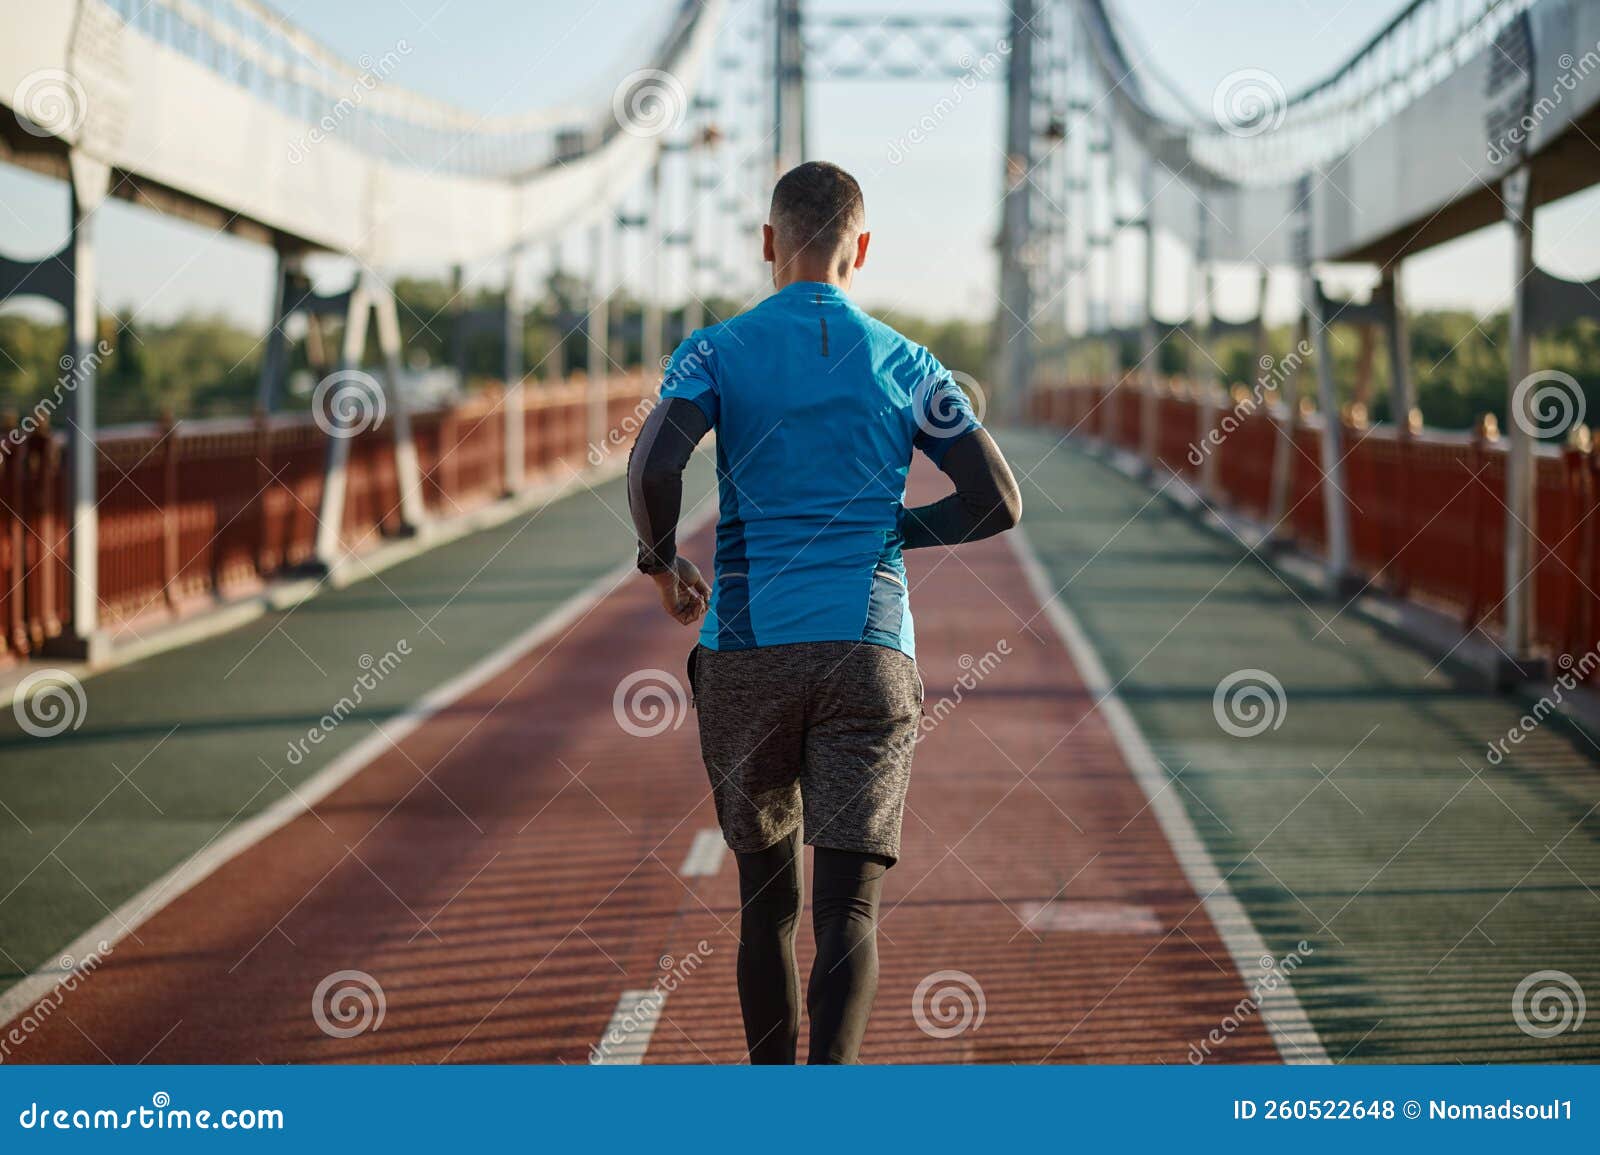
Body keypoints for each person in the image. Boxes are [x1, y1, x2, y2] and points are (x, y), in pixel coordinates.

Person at [627, 161, 1021, 1064]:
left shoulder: (715, 349)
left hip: (749, 651)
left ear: (769, 243)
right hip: (870, 654)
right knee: (848, 911)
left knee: (768, 908)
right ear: (864, 249)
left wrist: (661, 563)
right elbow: (997, 499)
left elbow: (653, 465)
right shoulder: (909, 361)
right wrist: (893, 529)